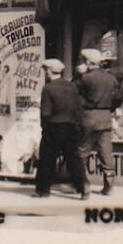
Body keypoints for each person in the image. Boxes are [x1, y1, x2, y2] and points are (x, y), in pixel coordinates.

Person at [34, 58, 88, 199]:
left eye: (45, 70)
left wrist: (44, 127)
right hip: (70, 126)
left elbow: (45, 112)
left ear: (49, 71)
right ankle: (83, 186)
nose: (45, 73)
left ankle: (43, 190)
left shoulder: (48, 88)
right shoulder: (72, 87)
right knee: (73, 158)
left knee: (47, 159)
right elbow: (78, 109)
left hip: (53, 126)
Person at [77, 47, 123, 196]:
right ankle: (109, 185)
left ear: (88, 62)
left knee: (83, 151)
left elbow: (74, 94)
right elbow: (118, 98)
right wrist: (109, 108)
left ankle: (83, 185)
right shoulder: (111, 77)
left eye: (83, 61)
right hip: (105, 117)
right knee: (106, 152)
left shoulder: (85, 78)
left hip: (89, 117)